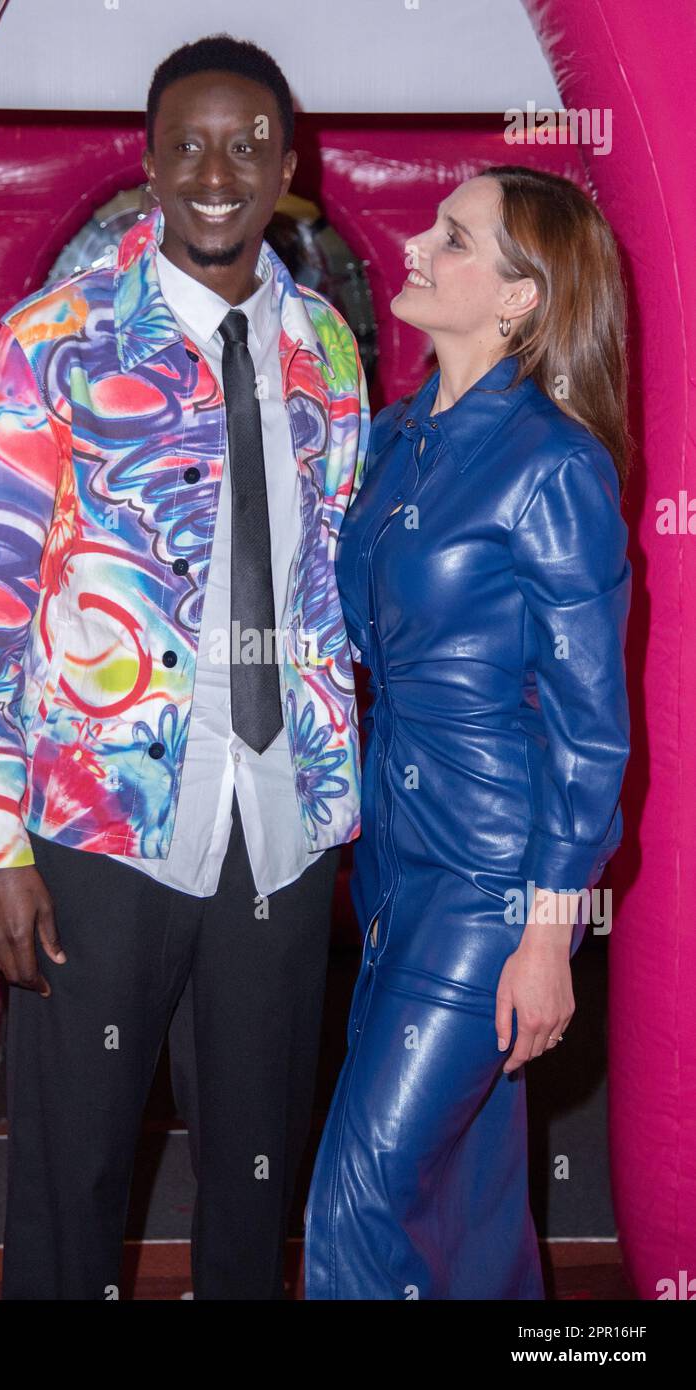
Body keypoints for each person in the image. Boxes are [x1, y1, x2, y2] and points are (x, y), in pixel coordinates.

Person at [0, 33, 370, 1300]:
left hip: (279, 828)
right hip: (99, 827)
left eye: (244, 144)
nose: (214, 171)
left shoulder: (326, 351)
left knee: (257, 1173)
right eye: (186, 143)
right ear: (149, 160)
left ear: (289, 163)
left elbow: (327, 581)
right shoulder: (53, 341)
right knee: (71, 1177)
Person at [303, 165, 632, 1300]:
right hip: (392, 863)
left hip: (489, 883)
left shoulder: (553, 464)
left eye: (451, 237)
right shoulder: (394, 441)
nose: (412, 244)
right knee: (468, 1208)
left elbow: (591, 735)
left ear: (518, 298)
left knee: (356, 1196)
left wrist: (547, 936)